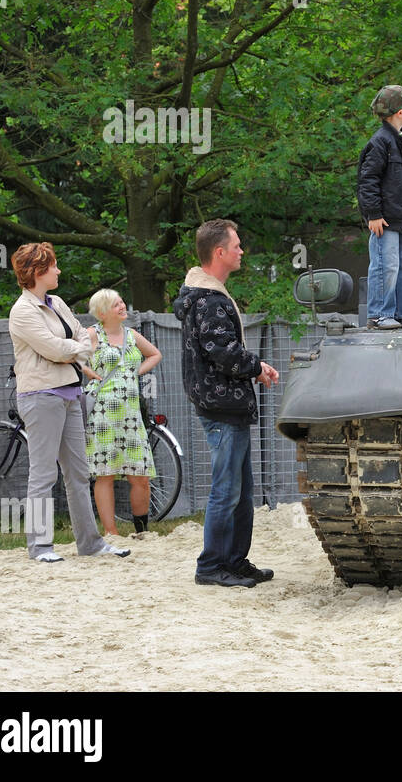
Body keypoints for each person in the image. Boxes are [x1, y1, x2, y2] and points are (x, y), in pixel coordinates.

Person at [172, 220, 280, 588]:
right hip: (222, 406)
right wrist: (258, 366)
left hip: (227, 404)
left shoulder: (204, 297)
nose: (241, 251)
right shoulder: (210, 301)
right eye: (236, 245)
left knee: (240, 490)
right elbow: (222, 352)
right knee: (226, 490)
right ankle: (211, 566)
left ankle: (234, 560)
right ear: (219, 252)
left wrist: (251, 369)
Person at [8, 244, 130, 562]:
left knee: (77, 472)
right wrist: (77, 347)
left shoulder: (58, 303)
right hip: (40, 397)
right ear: (37, 271)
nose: (58, 271)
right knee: (43, 473)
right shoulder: (22, 311)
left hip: (70, 394)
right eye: (53, 266)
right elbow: (57, 349)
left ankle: (90, 544)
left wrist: (77, 347)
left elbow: (83, 338)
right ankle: (40, 547)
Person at [84, 288, 161, 536]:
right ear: (103, 312)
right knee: (104, 474)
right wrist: (90, 373)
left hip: (131, 415)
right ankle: (111, 533)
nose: (122, 306)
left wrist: (135, 373)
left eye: (122, 302)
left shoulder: (131, 335)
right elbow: (73, 357)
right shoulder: (92, 335)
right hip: (103, 415)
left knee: (139, 474)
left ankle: (142, 530)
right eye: (116, 304)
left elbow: (155, 354)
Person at [359, 85, 402, 330]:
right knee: (385, 267)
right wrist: (373, 214)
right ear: (400, 112)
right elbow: (368, 181)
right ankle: (379, 314)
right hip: (385, 220)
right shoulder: (380, 143)